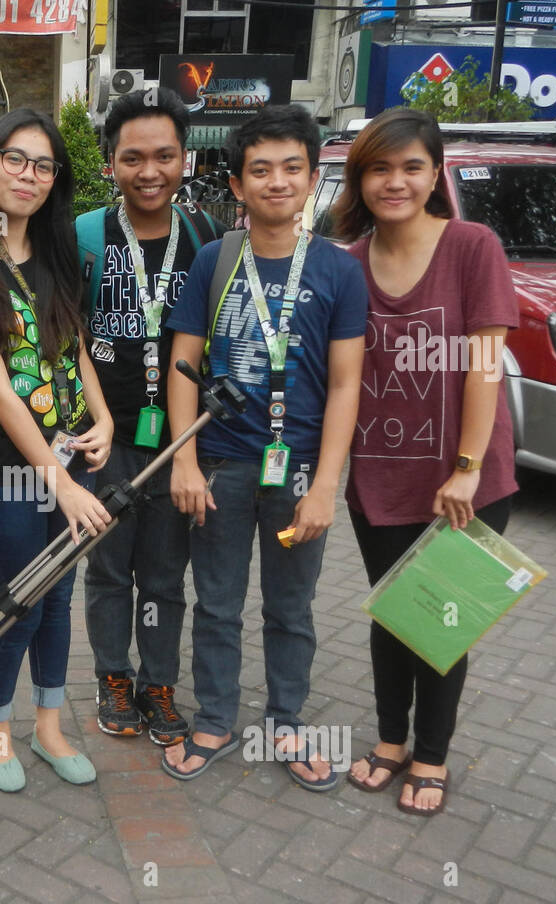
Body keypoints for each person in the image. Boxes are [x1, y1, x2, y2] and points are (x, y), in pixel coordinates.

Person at [163, 104, 367, 788]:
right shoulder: (215, 260)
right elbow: (184, 364)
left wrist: (326, 485)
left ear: (311, 178)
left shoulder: (338, 271)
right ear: (237, 183)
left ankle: (286, 722)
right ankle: (215, 719)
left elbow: (346, 384)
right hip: (220, 465)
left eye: (291, 168)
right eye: (260, 170)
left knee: (290, 607)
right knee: (216, 603)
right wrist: (184, 460)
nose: (276, 181)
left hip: (299, 471)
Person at [334, 108, 519, 816]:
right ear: (360, 179)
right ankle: (390, 741)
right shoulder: (349, 264)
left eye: (412, 167)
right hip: (380, 475)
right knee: (392, 616)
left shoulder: (473, 247)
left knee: (443, 620)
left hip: (466, 480)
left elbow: (485, 364)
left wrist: (466, 466)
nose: (395, 182)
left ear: (435, 173)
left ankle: (432, 754)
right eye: (379, 168)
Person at [0, 108, 114, 793]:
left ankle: (49, 726)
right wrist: (59, 485)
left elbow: (76, 350)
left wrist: (104, 419)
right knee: (22, 601)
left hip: (73, 456)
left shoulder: (59, 255)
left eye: (43, 165)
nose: (29, 175)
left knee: (59, 597)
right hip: (8, 472)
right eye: (15, 159)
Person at [77, 87, 225, 746]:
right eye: (132, 157)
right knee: (109, 568)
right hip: (105, 436)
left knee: (165, 575)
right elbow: (67, 335)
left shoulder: (207, 238)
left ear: (184, 158)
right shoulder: (84, 235)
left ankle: (158, 681)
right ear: (110, 161)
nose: (149, 171)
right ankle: (113, 676)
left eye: (164, 156)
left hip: (181, 441)